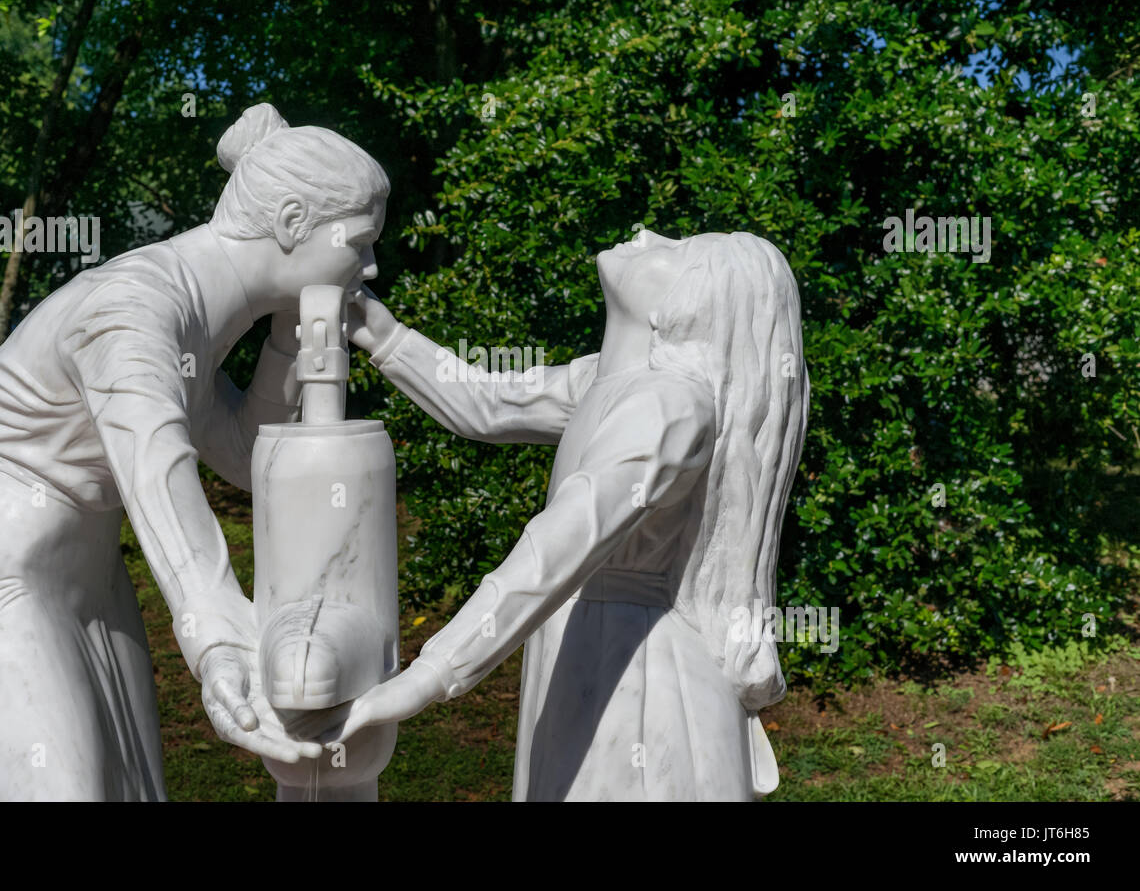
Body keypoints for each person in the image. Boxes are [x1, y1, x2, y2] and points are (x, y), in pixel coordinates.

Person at [0, 103, 389, 799]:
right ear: (288, 225)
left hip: (86, 574)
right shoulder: (135, 306)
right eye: (360, 242)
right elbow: (155, 469)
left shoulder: (191, 314)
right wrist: (218, 633)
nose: (368, 267)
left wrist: (287, 336)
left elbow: (245, 456)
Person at [334, 230, 808, 799]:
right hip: (590, 648)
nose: (650, 234)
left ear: (681, 308)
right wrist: (381, 333)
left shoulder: (669, 408)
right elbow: (485, 403)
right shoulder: (602, 381)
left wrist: (433, 672)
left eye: (676, 250)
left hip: (635, 674)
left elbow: (561, 544)